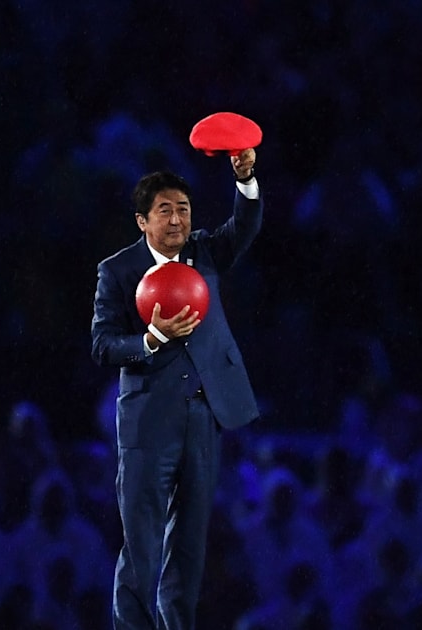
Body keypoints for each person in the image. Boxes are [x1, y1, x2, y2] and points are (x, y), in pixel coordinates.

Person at [91, 150, 262, 629]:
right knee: (142, 542)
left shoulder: (204, 253)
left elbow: (243, 229)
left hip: (203, 416)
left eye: (184, 208)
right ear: (143, 220)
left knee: (188, 544)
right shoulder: (118, 271)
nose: (176, 218)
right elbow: (102, 345)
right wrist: (151, 338)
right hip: (149, 423)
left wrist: (245, 179)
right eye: (165, 209)